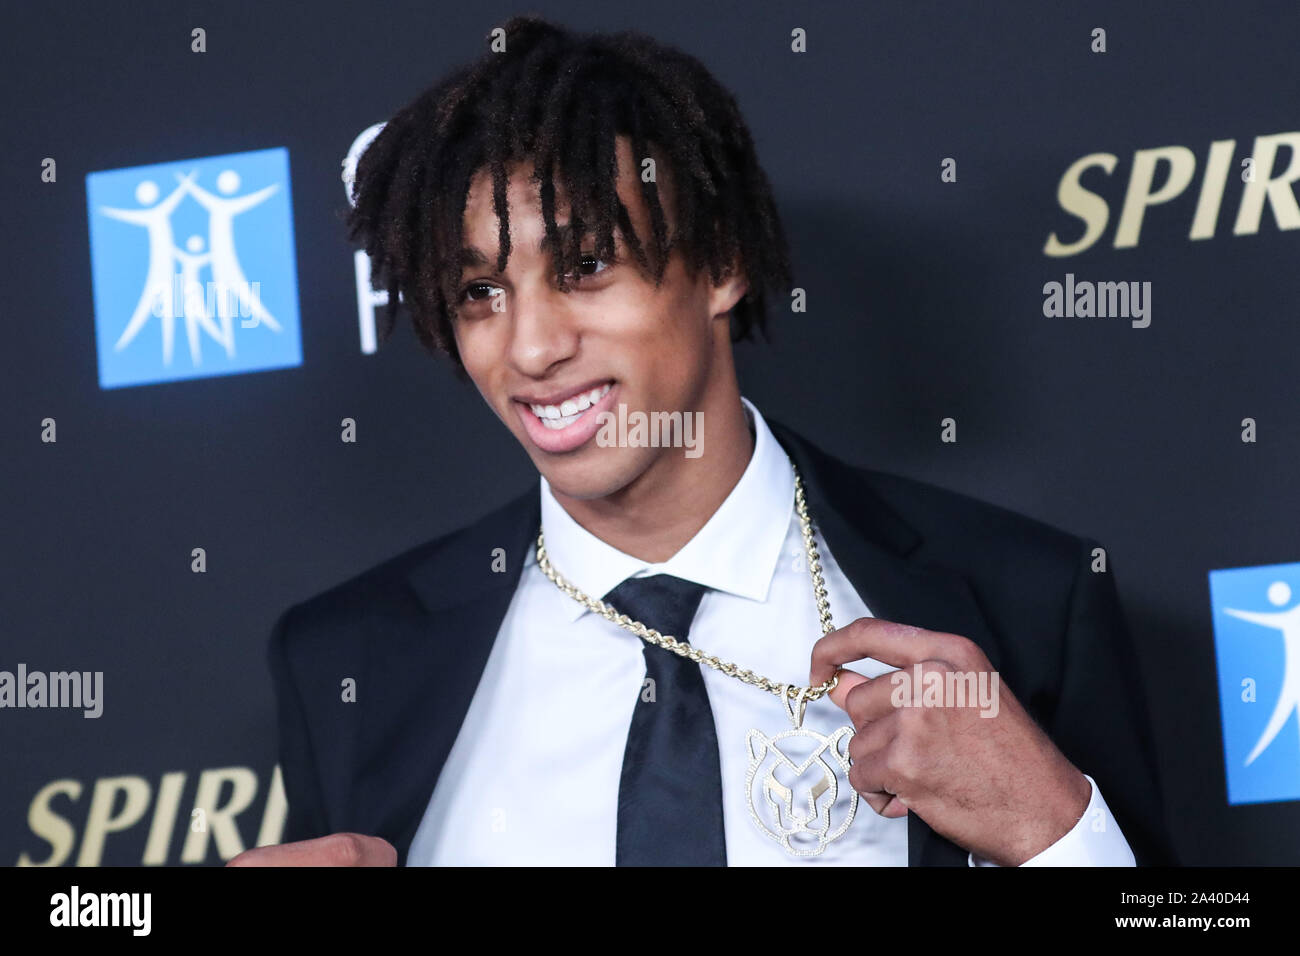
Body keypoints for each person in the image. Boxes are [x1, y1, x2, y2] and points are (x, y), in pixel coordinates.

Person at [228, 15, 1176, 867]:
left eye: (586, 266)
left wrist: (1057, 835)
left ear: (720, 265)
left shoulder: (1023, 602)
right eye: (481, 292)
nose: (532, 346)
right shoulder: (346, 660)